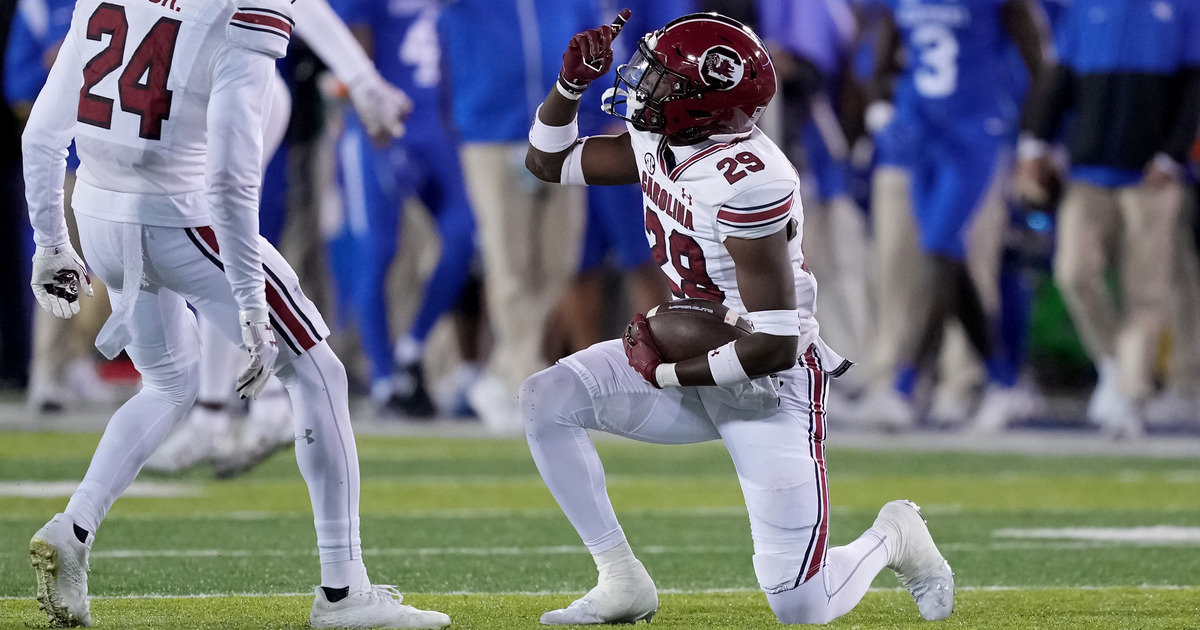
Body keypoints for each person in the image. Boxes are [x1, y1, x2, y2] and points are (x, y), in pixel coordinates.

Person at [20, 0, 448, 625]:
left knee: (168, 382)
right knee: (321, 373)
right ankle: (342, 591)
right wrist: (250, 300)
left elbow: (41, 134)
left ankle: (73, 527)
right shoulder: (247, 7)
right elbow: (229, 180)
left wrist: (51, 241)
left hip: (101, 213)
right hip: (180, 215)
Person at [521, 11, 954, 625]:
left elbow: (774, 343)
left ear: (706, 104)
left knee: (801, 606)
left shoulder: (748, 181)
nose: (644, 84)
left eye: (663, 78)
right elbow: (548, 162)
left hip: (766, 382)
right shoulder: (663, 136)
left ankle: (895, 536)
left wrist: (666, 373)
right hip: (694, 342)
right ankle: (621, 579)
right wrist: (568, 89)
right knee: (546, 397)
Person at [141, 0, 412, 476]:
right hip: (193, 89)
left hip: (233, 87)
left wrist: (362, 79)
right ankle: (223, 411)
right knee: (210, 248)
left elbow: (300, 4)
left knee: (213, 243)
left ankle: (253, 406)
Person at [855, 0, 1049, 431]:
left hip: (974, 133)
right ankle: (1002, 381)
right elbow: (880, 60)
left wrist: (1036, 140)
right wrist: (880, 110)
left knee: (941, 250)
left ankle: (904, 388)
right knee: (945, 258)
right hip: (917, 135)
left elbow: (1040, 65)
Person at [1017, 0, 1200, 438]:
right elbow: (1060, 78)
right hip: (1089, 170)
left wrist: (1173, 155)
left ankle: (1130, 395)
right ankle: (1114, 364)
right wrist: (1035, 144)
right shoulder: (1084, 7)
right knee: (1073, 273)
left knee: (1146, 290)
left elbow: (1195, 83)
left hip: (1150, 175)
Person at [439, 0, 596, 432]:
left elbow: (594, 49)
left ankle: (505, 371)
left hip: (563, 133)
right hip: (491, 132)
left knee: (559, 260)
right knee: (508, 261)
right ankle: (522, 376)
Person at [325, 0, 476, 418]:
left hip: (434, 125)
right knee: (377, 250)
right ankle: (383, 379)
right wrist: (372, 124)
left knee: (463, 234)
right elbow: (351, 57)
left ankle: (412, 347)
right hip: (379, 127)